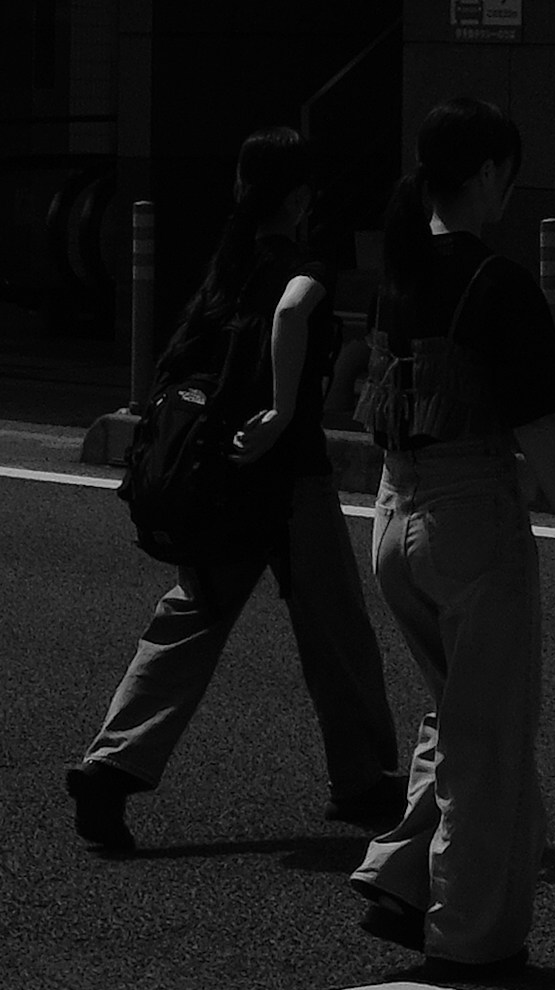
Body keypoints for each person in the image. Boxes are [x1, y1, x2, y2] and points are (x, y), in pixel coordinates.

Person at [66, 129, 403, 851]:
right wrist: (283, 410)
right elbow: (291, 313)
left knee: (191, 618)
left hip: (216, 471)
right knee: (336, 627)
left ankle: (110, 764)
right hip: (287, 474)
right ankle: (361, 775)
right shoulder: (298, 264)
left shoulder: (223, 266)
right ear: (299, 196)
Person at [351, 97, 555, 970]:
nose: (510, 187)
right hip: (470, 518)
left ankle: (401, 873)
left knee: (458, 711)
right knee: (489, 740)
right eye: (507, 171)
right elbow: (538, 427)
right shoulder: (494, 280)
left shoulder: (397, 270)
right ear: (483, 176)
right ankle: (469, 934)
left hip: (392, 515)